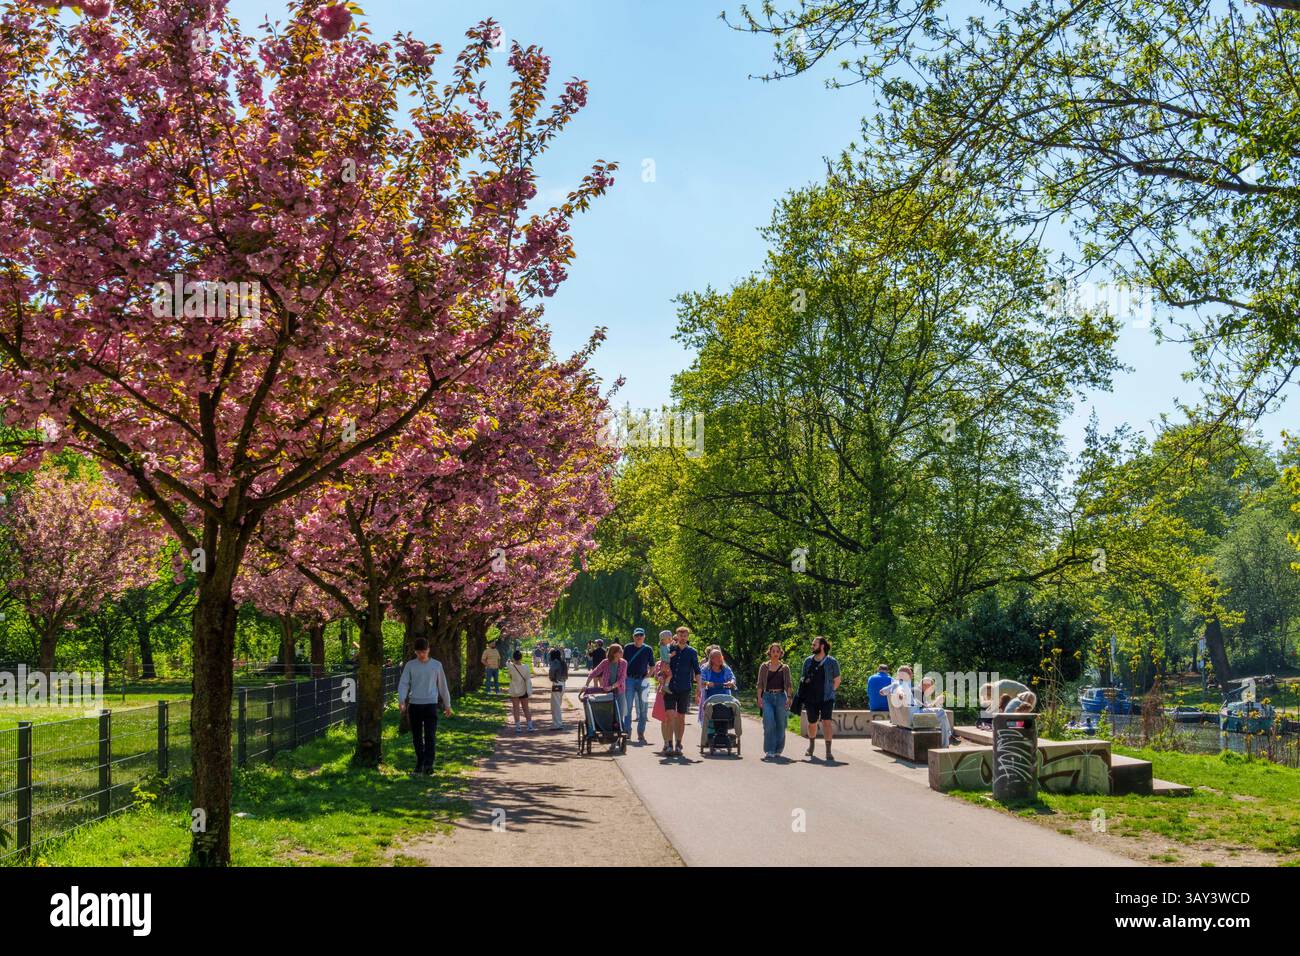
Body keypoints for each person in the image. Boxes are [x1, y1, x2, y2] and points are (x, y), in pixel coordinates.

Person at [396, 638, 453, 775]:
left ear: (428, 650)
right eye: (419, 652)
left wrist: (447, 704)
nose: (422, 655)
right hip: (415, 704)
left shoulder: (436, 665)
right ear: (415, 652)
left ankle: (428, 764)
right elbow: (404, 683)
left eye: (424, 651)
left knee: (430, 736)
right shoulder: (410, 665)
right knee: (416, 737)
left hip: (430, 705)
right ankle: (420, 762)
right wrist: (402, 700)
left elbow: (442, 686)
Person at [797, 636, 841, 762]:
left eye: (814, 644)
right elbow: (803, 678)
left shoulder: (832, 662)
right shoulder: (808, 661)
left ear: (822, 646)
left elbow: (837, 680)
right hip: (811, 698)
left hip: (827, 698)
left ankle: (828, 751)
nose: (812, 646)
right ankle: (811, 746)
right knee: (812, 723)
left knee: (827, 722)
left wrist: (830, 691)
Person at [661, 626, 700, 757]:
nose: (682, 638)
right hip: (670, 687)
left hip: (684, 688)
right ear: (676, 636)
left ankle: (678, 743)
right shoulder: (670, 649)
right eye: (680, 635)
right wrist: (661, 682)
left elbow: (697, 671)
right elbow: (662, 665)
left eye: (685, 635)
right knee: (670, 715)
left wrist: (699, 689)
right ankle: (669, 744)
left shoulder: (692, 652)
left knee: (681, 717)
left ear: (688, 637)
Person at [757, 643, 792, 759]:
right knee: (769, 723)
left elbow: (788, 685)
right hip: (767, 697)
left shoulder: (785, 668)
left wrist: (789, 698)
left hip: (781, 697)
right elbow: (760, 684)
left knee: (781, 724)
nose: (775, 653)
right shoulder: (764, 667)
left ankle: (778, 749)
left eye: (778, 651)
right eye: (773, 651)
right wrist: (759, 698)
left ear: (780, 653)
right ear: (770, 653)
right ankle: (769, 749)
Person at [622, 628, 656, 743]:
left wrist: (648, 677)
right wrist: (624, 676)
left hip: (644, 681)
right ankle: (627, 731)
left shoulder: (648, 649)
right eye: (637, 635)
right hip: (629, 679)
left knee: (643, 709)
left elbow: (652, 666)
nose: (639, 637)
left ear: (644, 636)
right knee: (628, 708)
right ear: (633, 636)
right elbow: (622, 663)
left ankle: (641, 733)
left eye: (641, 635)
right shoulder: (627, 647)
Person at [698, 647, 736, 721]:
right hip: (709, 698)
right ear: (711, 659)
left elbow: (732, 678)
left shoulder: (726, 668)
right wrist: (707, 683)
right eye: (717, 657)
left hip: (725, 697)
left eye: (721, 657)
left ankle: (733, 724)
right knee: (709, 719)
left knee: (733, 709)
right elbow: (700, 680)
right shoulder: (705, 669)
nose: (720, 659)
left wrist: (731, 682)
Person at [506, 649, 535, 733]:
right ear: (521, 657)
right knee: (526, 708)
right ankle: (530, 726)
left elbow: (510, 675)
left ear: (513, 658)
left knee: (516, 708)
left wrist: (509, 662)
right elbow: (528, 678)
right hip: (524, 690)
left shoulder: (511, 667)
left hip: (514, 690)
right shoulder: (526, 667)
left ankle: (518, 727)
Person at [547, 647, 568, 730]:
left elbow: (551, 673)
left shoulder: (555, 662)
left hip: (556, 683)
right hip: (563, 683)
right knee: (558, 704)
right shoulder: (563, 662)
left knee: (555, 705)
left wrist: (552, 679)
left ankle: (557, 724)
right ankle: (557, 723)